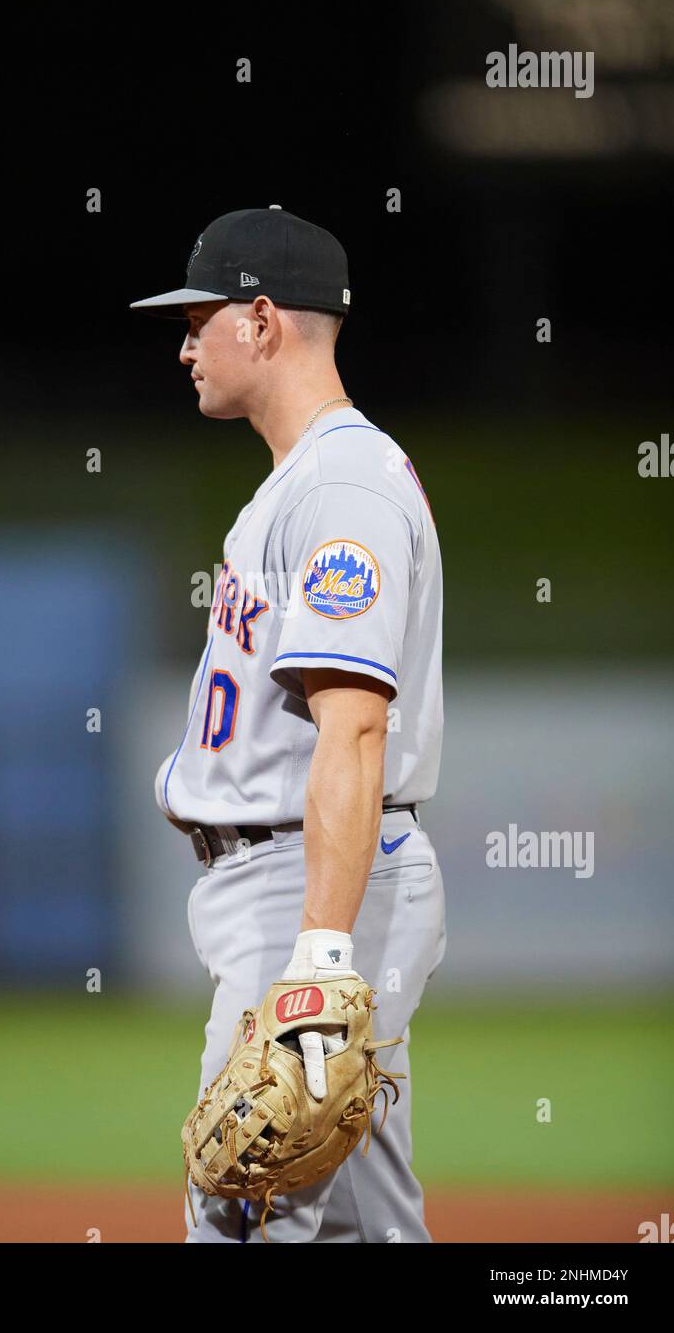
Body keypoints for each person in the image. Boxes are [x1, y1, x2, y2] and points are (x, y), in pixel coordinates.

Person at [130, 206, 447, 1243]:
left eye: (200, 318)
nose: (184, 345)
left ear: (260, 320)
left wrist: (317, 955)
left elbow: (353, 730)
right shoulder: (301, 484)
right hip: (283, 882)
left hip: (302, 883)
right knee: (348, 1223)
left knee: (248, 1207)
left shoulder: (341, 484)